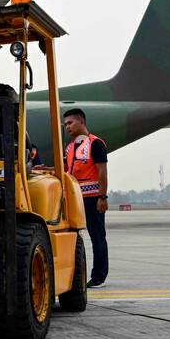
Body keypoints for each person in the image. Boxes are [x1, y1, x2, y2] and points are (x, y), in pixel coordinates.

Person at [63, 108, 109, 287]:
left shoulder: (96, 144)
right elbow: (66, 170)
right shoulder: (70, 147)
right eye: (65, 124)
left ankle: (99, 277)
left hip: (92, 199)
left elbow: (102, 172)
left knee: (97, 237)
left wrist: (102, 197)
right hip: (75, 199)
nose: (67, 127)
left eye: (70, 123)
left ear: (81, 122)